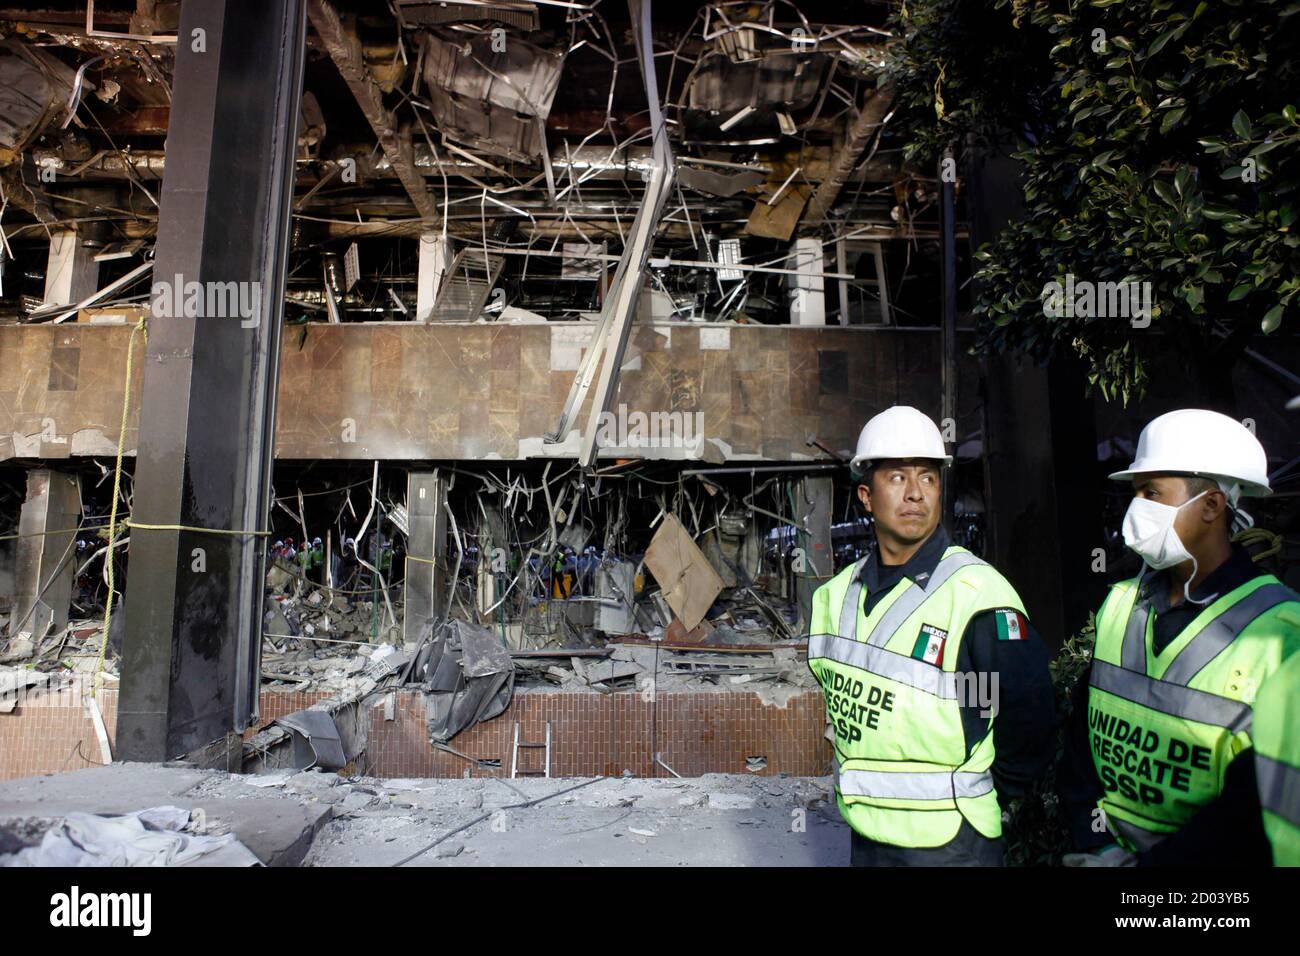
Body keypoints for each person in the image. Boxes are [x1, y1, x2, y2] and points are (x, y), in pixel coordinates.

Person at [806, 405, 1055, 866]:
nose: (916, 494)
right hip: (866, 836)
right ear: (865, 495)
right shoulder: (833, 598)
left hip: (955, 844)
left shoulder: (978, 595)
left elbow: (1030, 718)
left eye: (929, 478)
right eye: (898, 478)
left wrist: (991, 794)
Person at [1060, 409, 1300, 866]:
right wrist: (1098, 846)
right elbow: (1079, 748)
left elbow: (1254, 813)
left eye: (1152, 493)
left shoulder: (1282, 632)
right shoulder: (1122, 605)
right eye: (1136, 493)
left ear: (1211, 505)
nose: (1136, 509)